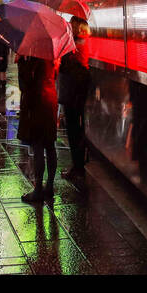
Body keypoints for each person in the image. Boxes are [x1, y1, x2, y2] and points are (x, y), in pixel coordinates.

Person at [17, 49, 59, 205]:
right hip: (50, 100)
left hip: (37, 104)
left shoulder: (35, 58)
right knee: (50, 145)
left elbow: (25, 84)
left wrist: (21, 61)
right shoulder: (51, 56)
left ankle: (38, 190)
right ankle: (49, 186)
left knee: (38, 146)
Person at [58, 18, 92, 182]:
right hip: (78, 88)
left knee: (73, 128)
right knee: (76, 126)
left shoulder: (74, 45)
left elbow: (65, 66)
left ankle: (78, 166)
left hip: (73, 89)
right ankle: (79, 164)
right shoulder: (82, 41)